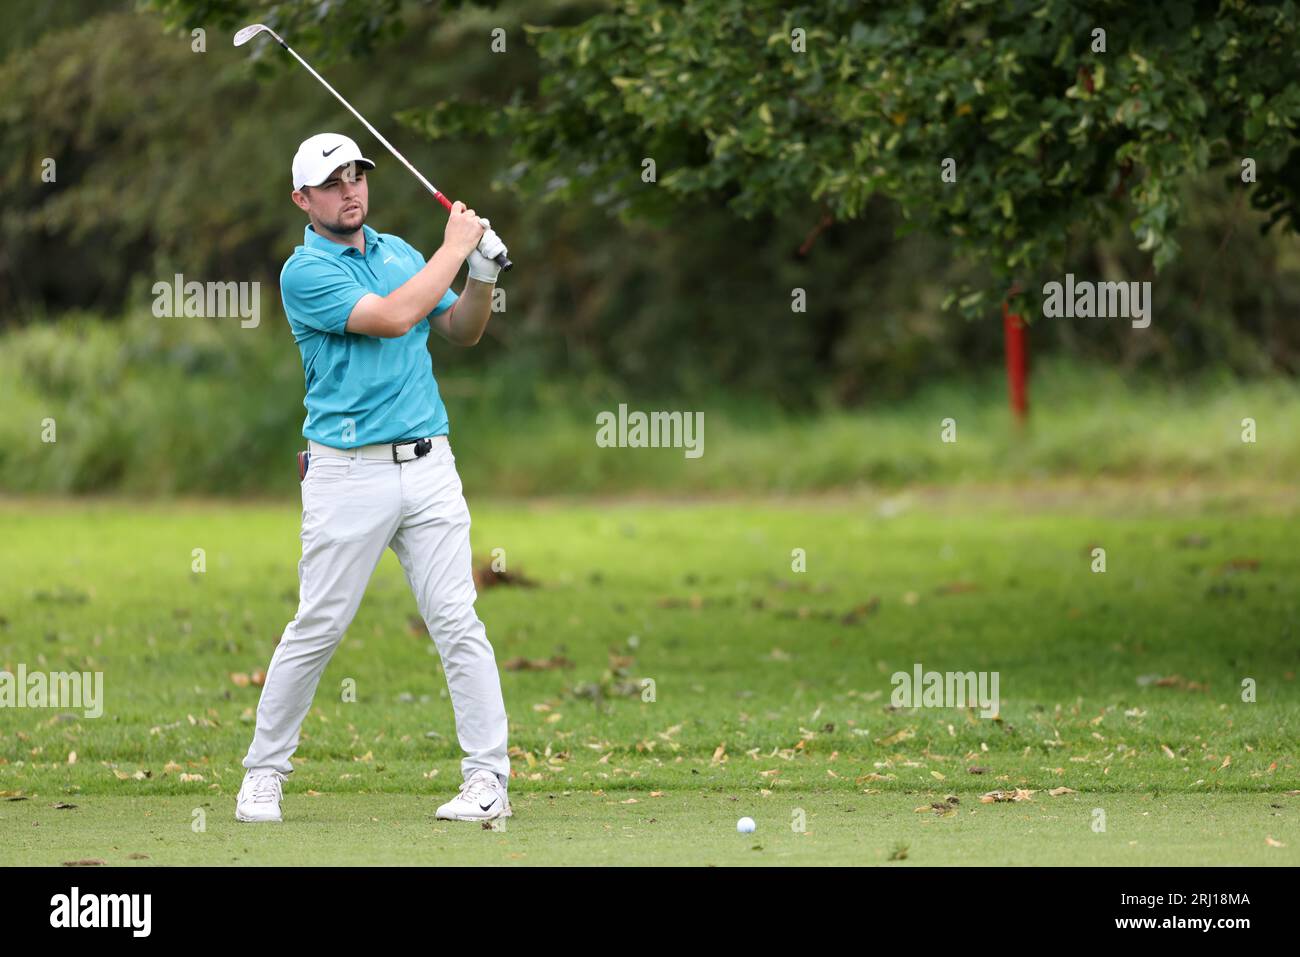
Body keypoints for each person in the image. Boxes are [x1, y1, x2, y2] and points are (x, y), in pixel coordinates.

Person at [235, 132, 511, 824]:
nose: (349, 189)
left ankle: (487, 779)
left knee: (457, 620)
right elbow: (392, 319)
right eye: (331, 182)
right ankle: (264, 773)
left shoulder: (400, 253)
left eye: (356, 175)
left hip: (429, 465)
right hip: (344, 473)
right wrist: (455, 247)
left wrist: (481, 273)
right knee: (319, 623)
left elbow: (461, 330)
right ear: (303, 199)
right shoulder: (304, 273)